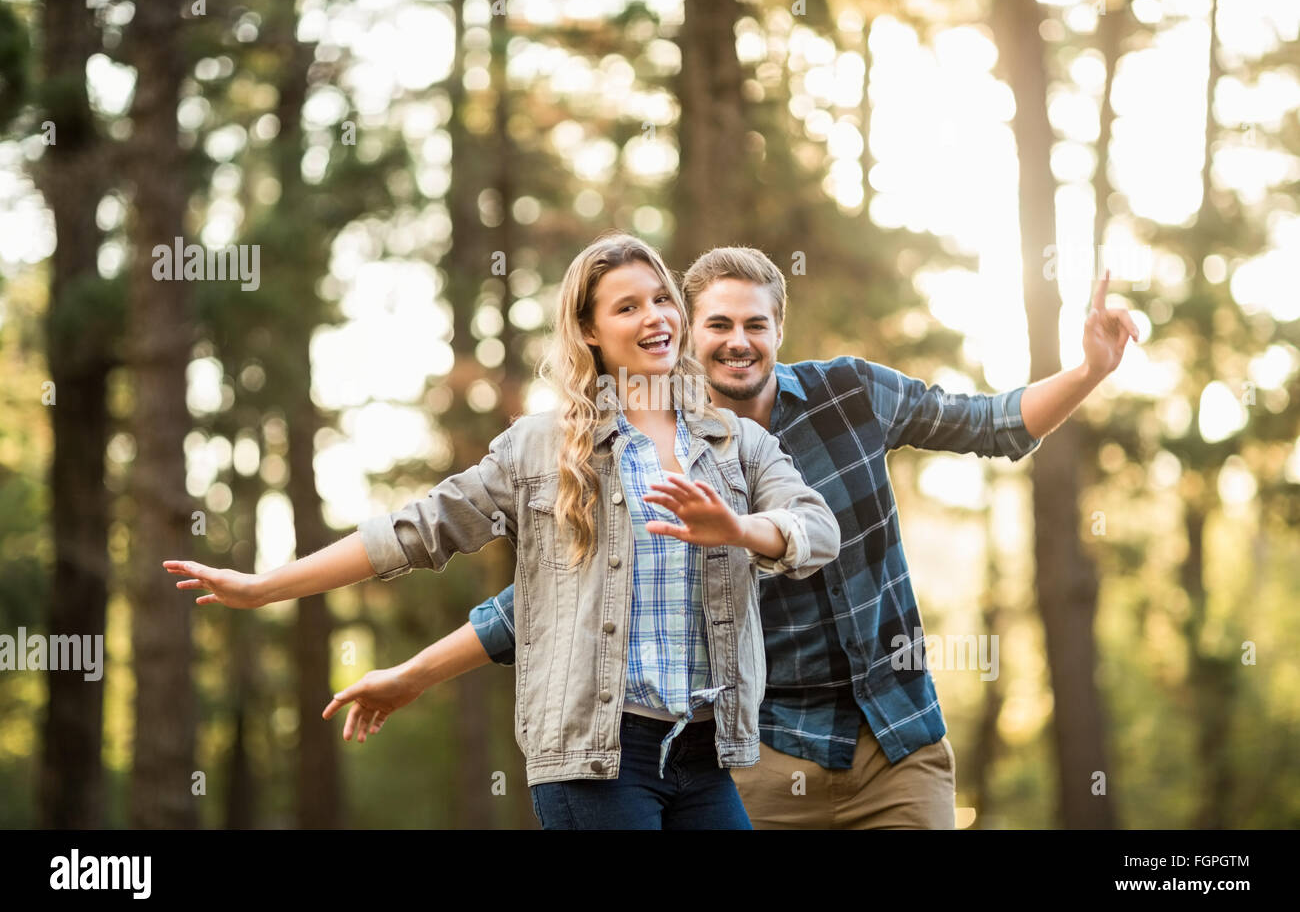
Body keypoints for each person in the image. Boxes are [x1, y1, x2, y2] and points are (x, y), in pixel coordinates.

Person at [328, 246, 1137, 829]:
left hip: (897, 740)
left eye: (755, 323)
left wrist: (1091, 370)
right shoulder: (655, 456)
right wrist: (410, 674)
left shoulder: (851, 394)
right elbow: (534, 605)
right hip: (762, 759)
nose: (737, 341)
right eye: (718, 323)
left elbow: (992, 425)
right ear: (686, 332)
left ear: (780, 328)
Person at [164, 233, 839, 830]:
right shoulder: (540, 449)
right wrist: (265, 587)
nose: (655, 317)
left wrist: (740, 529)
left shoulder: (738, 445)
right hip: (595, 759)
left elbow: (816, 527)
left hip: (707, 754)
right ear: (591, 332)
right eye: (626, 306)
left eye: (662, 299)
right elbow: (415, 530)